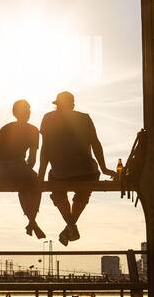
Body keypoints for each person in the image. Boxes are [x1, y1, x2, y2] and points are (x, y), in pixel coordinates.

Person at [38, 91, 113, 245]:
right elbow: (95, 143)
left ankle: (71, 226)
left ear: (57, 105)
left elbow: (45, 148)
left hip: (60, 173)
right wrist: (104, 168)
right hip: (87, 172)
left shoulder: (48, 118)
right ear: (72, 104)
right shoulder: (84, 118)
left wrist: (41, 174)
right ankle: (70, 227)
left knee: (58, 193)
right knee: (83, 193)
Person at [0, 99, 45, 239]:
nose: (28, 113)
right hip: (18, 166)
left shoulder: (4, 129)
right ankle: (32, 221)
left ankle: (32, 223)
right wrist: (26, 169)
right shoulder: (33, 130)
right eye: (27, 110)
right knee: (35, 183)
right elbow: (33, 158)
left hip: (2, 170)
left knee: (23, 185)